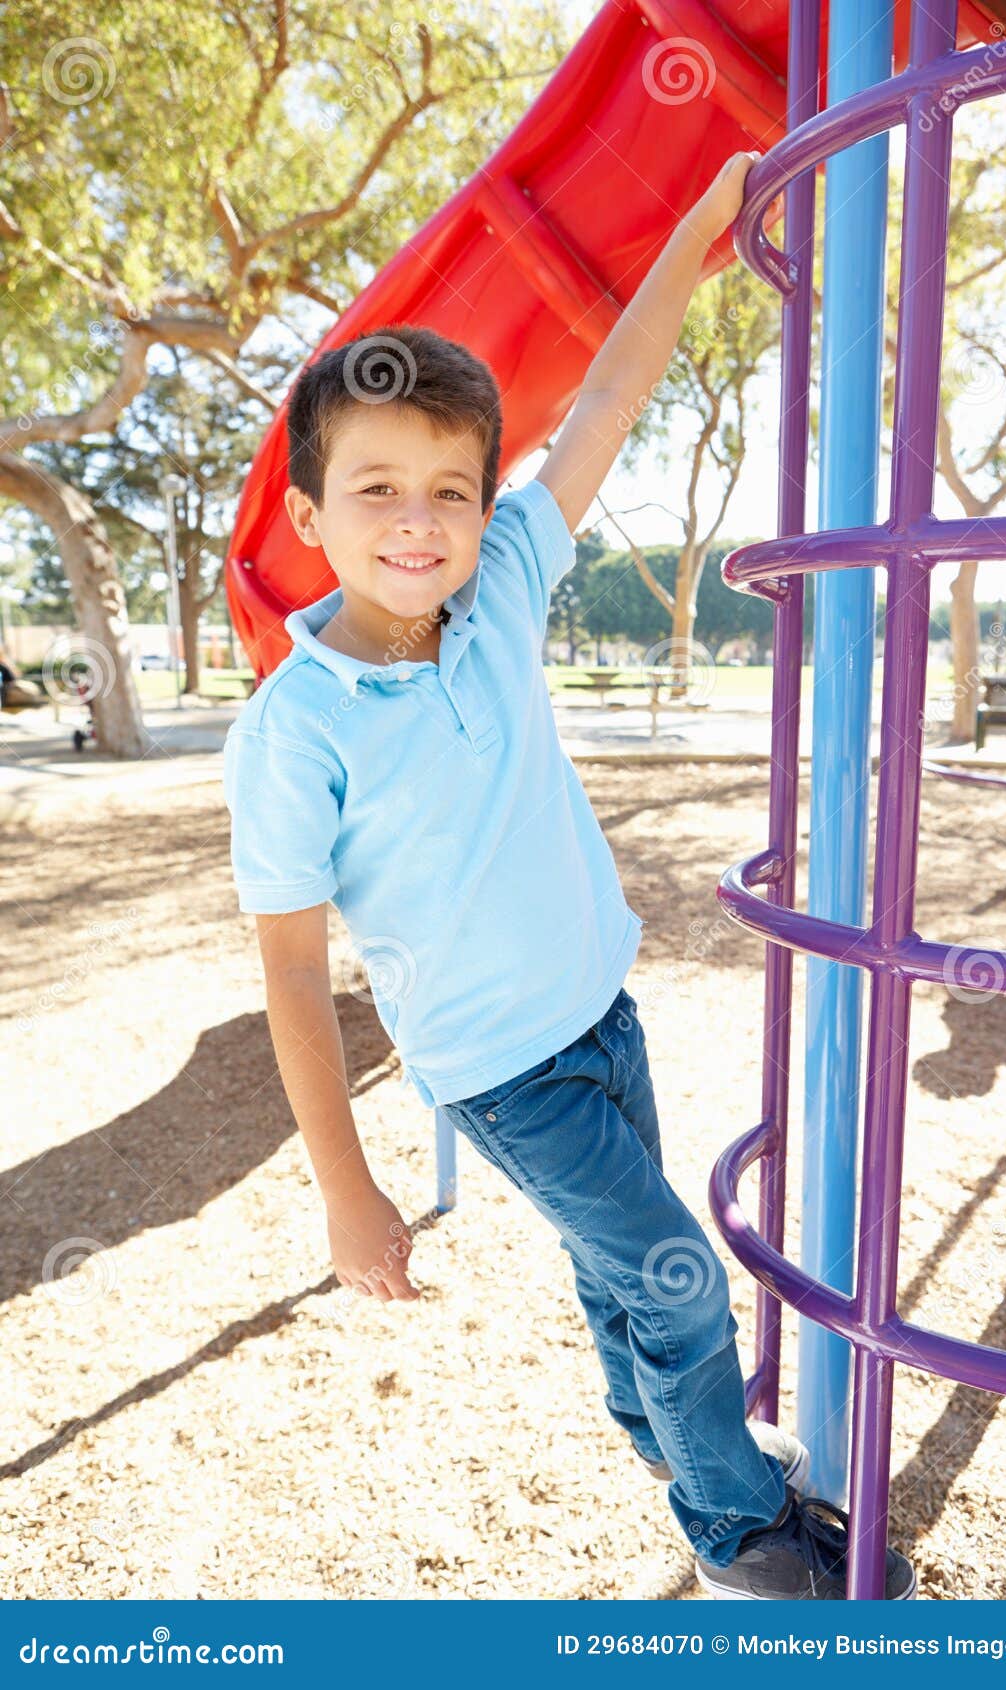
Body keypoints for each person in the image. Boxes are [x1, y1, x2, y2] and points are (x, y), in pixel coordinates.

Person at [222, 151, 915, 1601]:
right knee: (679, 1280)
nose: (419, 521)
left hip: (601, 1010)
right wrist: (346, 1190)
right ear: (309, 516)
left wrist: (696, 223)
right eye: (377, 490)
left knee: (627, 1278)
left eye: (450, 491)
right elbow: (291, 968)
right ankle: (738, 1531)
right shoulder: (296, 727)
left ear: (485, 507)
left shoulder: (503, 597)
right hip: (499, 1068)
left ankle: (666, 1435)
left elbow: (607, 399)